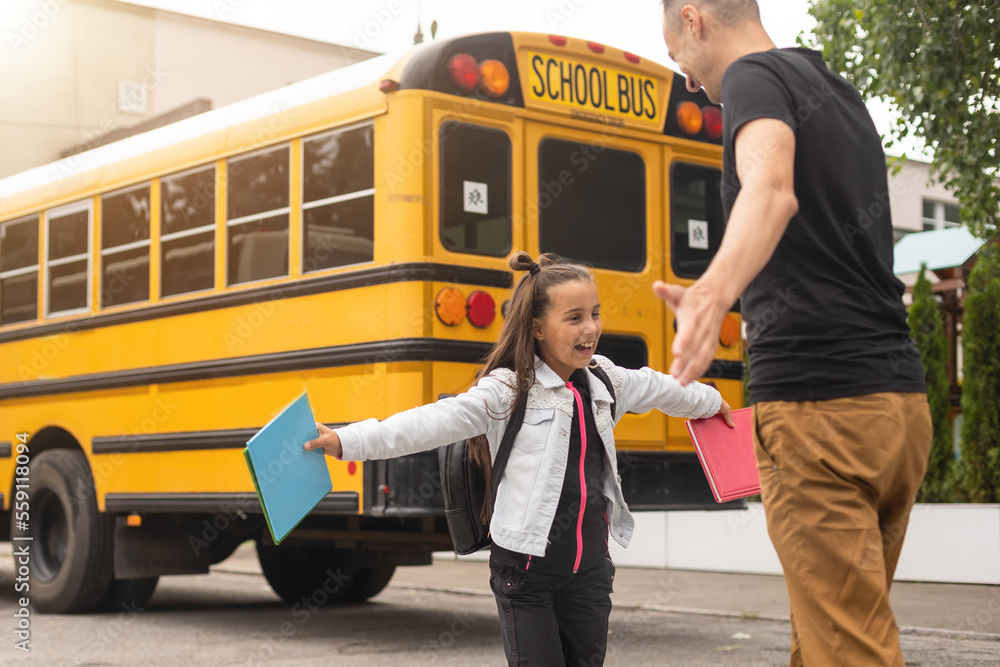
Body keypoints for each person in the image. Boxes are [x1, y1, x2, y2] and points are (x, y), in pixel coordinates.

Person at [656, 2, 932, 666]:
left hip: (820, 410)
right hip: (894, 408)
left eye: (676, 57)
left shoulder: (754, 77)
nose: (687, 80)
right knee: (828, 633)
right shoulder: (838, 90)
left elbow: (771, 188)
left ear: (694, 18)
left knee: (847, 647)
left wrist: (712, 292)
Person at [305, 252, 733, 666]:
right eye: (574, 318)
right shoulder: (508, 390)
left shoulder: (605, 380)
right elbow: (430, 422)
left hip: (590, 573)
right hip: (526, 573)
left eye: (594, 313)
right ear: (538, 328)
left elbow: (660, 387)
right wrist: (346, 441)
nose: (591, 328)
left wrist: (712, 402)